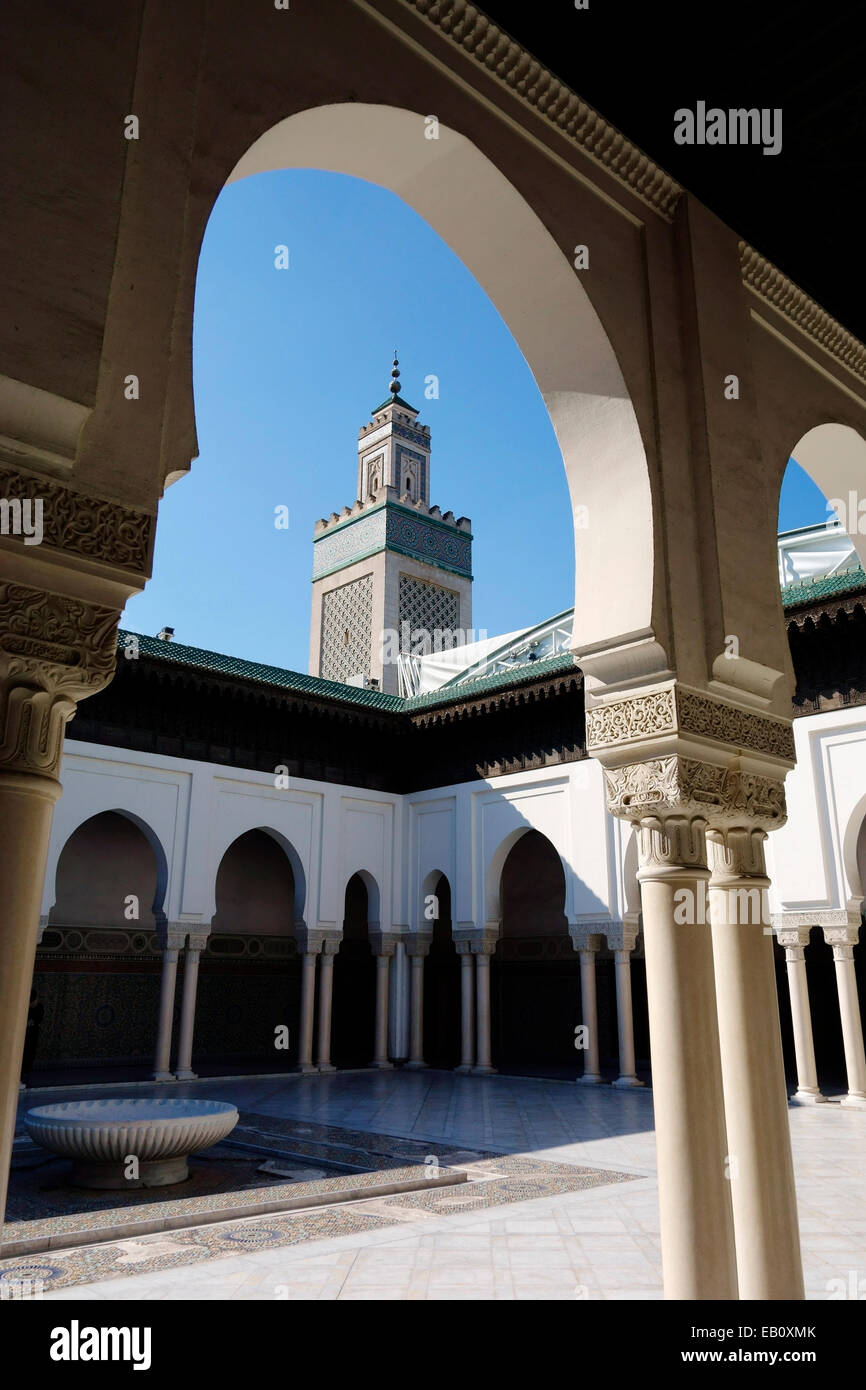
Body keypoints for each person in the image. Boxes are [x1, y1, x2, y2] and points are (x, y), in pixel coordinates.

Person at [21, 988, 43, 1088]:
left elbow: (39, 1019)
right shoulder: (21, 1008)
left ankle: (23, 1076)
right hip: (23, 1038)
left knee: (28, 1056)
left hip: (31, 1036)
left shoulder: (38, 1008)